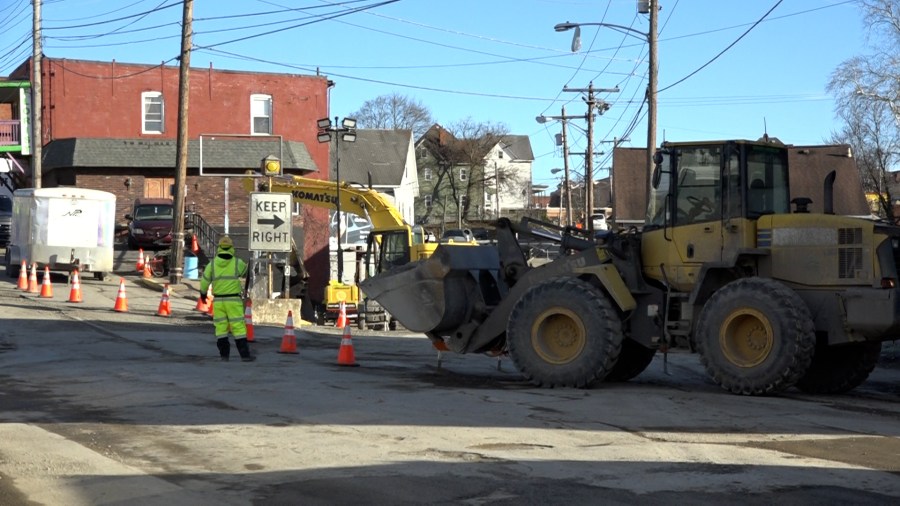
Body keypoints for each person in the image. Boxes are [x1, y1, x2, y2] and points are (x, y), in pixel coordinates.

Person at [200, 235, 254, 362]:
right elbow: (246, 273)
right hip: (233, 301)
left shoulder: (212, 265)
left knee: (221, 328)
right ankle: (244, 355)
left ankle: (224, 355)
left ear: (219, 248)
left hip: (218, 301)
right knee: (238, 327)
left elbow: (204, 281)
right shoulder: (236, 262)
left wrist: (203, 295)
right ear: (231, 248)